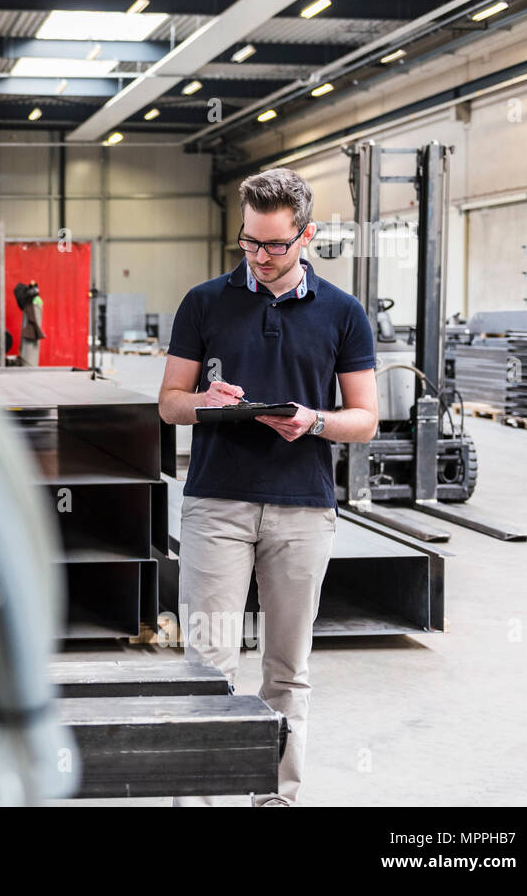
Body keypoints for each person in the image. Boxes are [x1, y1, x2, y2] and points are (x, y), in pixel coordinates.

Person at [157, 167, 379, 806]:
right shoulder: (204, 302)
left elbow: (363, 419)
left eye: (273, 246)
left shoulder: (342, 312)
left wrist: (314, 420)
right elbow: (170, 404)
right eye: (248, 242)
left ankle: (275, 794)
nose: (257, 257)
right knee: (209, 664)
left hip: (303, 508)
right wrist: (207, 400)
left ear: (305, 236)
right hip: (216, 504)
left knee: (286, 669)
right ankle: (195, 796)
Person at [16, 280, 44, 366]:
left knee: (28, 357)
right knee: (30, 359)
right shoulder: (35, 301)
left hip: (29, 335)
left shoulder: (29, 302)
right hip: (31, 335)